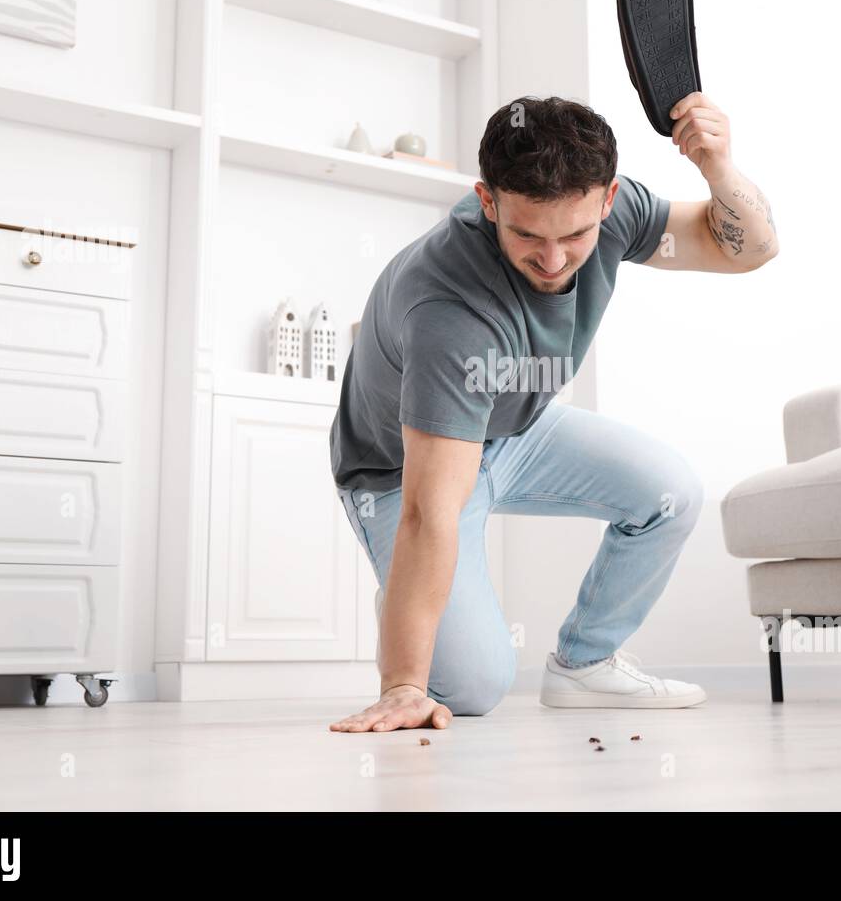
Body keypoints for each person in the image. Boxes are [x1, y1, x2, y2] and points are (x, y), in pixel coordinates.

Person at [329, 93, 777, 732]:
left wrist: (719, 169)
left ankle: (584, 666)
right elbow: (431, 513)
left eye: (575, 234)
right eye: (526, 235)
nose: (553, 258)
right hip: (401, 469)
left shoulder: (614, 214)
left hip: (512, 430)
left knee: (670, 491)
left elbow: (749, 249)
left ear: (608, 200)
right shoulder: (449, 310)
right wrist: (404, 685)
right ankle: (407, 605)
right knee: (474, 686)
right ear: (488, 202)